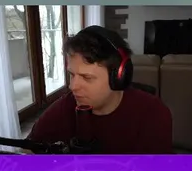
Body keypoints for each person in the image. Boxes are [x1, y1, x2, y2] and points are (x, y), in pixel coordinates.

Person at [26, 26, 172, 154]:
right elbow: (27, 149)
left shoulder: (153, 113)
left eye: (87, 77)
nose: (73, 86)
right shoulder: (66, 106)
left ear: (119, 77)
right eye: (72, 75)